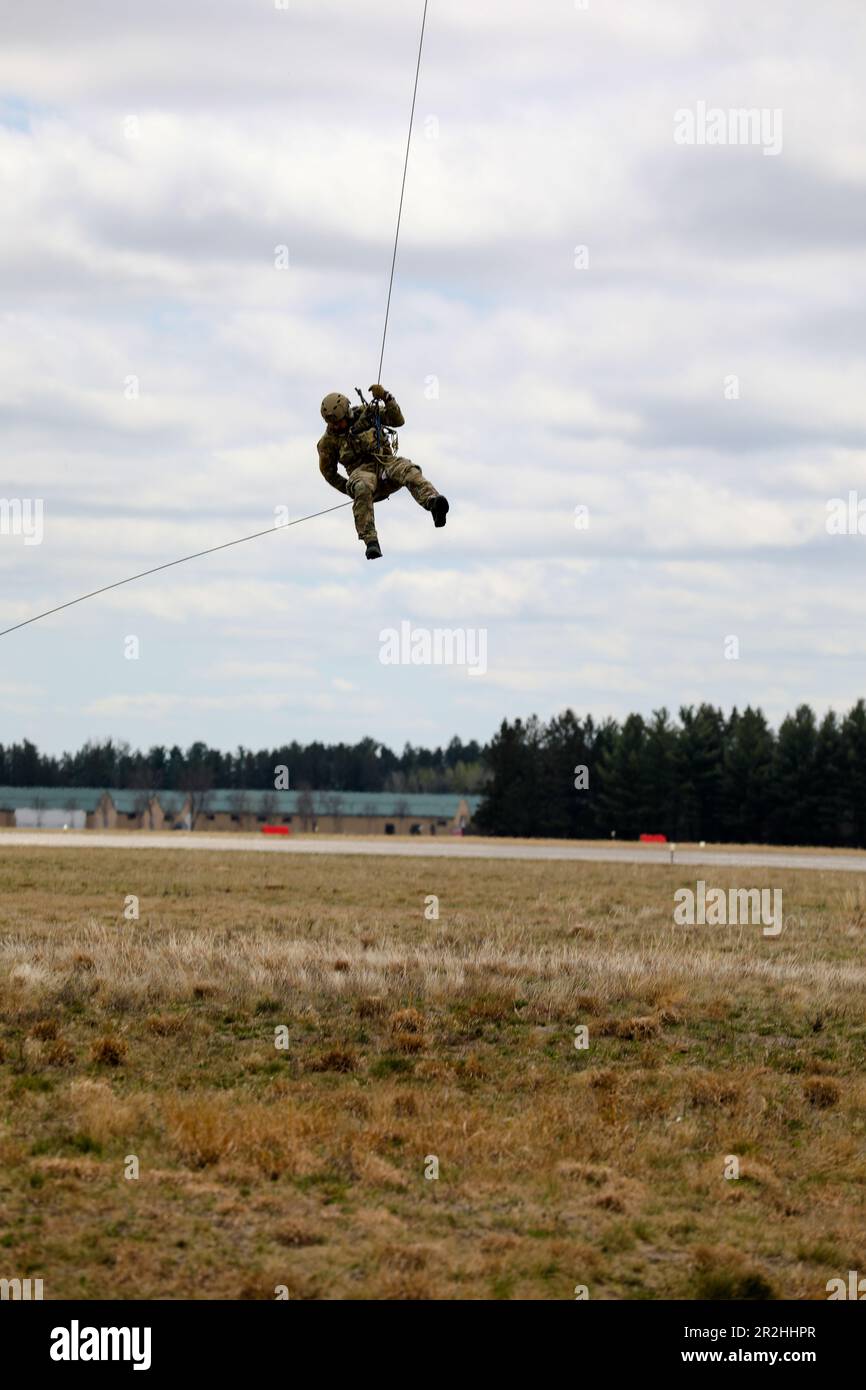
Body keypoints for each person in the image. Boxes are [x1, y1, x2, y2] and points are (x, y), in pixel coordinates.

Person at [317, 384, 449, 559]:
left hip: (385, 463)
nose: (337, 426)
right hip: (361, 473)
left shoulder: (367, 413)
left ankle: (433, 503)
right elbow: (328, 473)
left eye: (339, 421)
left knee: (408, 469)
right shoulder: (327, 443)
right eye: (332, 424)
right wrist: (351, 490)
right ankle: (371, 541)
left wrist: (386, 397)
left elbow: (398, 420)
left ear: (347, 411)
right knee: (362, 486)